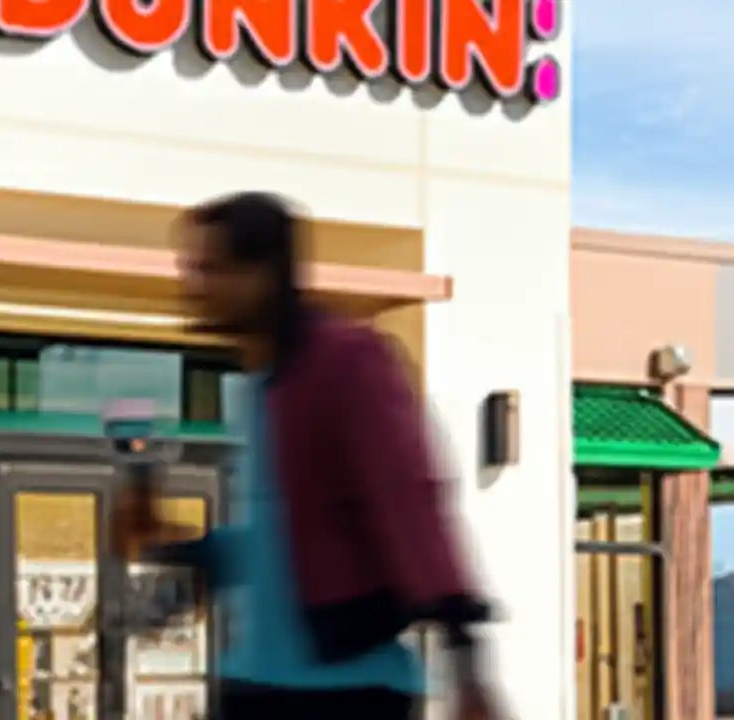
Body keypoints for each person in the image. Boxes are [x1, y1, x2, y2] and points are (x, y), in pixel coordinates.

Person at [112, 192, 501, 719]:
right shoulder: (260, 387)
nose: (194, 287)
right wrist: (177, 548)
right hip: (256, 684)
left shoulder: (347, 360)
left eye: (209, 270)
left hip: (344, 692)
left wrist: (466, 660)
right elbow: (274, 544)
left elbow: (408, 502)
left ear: (262, 273)